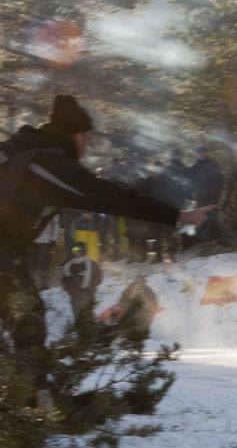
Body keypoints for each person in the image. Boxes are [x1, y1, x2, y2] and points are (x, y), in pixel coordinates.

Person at [0, 95, 211, 393]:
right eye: (87, 138)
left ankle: (23, 398)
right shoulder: (50, 164)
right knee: (27, 317)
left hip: (9, 247)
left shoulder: (16, 150)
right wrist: (177, 215)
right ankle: (31, 399)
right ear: (78, 135)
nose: (87, 147)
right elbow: (111, 197)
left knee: (21, 311)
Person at [188, 145, 224, 243]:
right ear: (196, 155)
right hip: (200, 197)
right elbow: (190, 182)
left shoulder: (214, 164)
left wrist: (218, 192)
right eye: (199, 153)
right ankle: (205, 241)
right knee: (202, 218)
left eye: (203, 152)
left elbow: (220, 179)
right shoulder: (194, 167)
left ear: (206, 153)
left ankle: (216, 238)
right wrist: (193, 193)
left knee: (213, 217)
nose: (201, 154)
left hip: (213, 196)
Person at [61, 241, 102, 322]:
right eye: (74, 250)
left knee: (87, 316)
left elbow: (98, 278)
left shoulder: (91, 264)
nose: (76, 253)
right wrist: (68, 289)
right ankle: (79, 331)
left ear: (83, 251)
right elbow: (64, 278)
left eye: (79, 251)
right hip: (75, 296)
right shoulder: (69, 265)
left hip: (87, 294)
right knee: (77, 316)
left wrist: (90, 288)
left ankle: (90, 330)